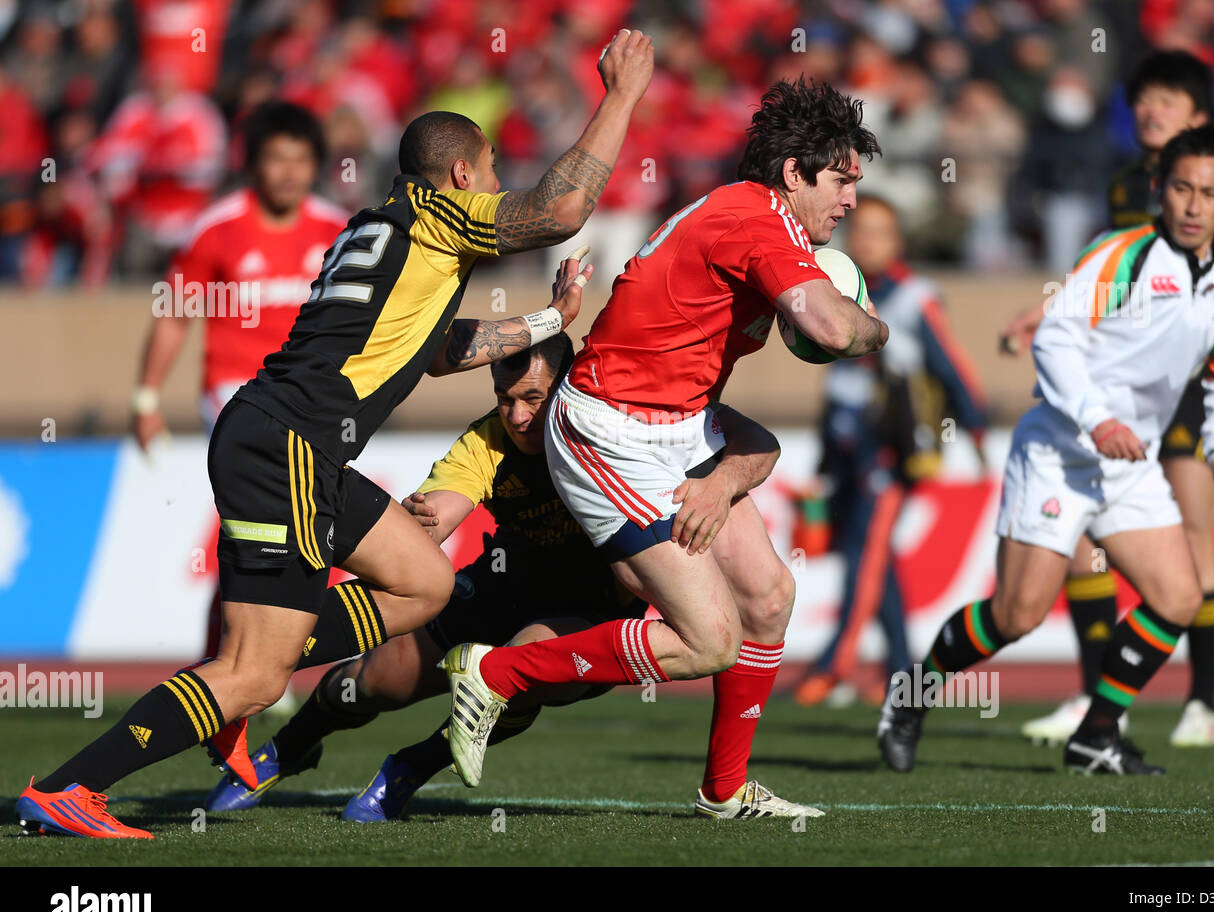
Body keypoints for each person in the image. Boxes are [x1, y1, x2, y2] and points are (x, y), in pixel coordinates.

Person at [15, 29, 656, 839]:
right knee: (255, 670)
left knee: (423, 583)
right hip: (287, 444)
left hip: (294, 441)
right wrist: (622, 93)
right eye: (491, 171)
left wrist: (545, 320)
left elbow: (435, 351)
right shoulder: (439, 215)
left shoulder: (384, 228)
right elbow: (561, 209)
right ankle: (76, 785)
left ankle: (237, 678)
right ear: (462, 177)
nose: (497, 186)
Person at [440, 77, 889, 819]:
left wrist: (718, 483)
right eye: (841, 181)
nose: (849, 200)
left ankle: (724, 790)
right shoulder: (757, 223)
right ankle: (495, 671)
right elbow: (839, 332)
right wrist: (874, 324)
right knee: (710, 640)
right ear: (794, 174)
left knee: (770, 600)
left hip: (678, 425)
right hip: (609, 433)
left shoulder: (756, 219)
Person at [202, 334, 786, 821]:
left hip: (587, 613)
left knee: (522, 672)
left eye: (533, 396)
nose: (519, 415)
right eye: (505, 399)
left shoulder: (621, 425)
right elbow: (445, 506)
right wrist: (419, 522)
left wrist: (720, 484)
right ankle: (288, 750)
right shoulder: (488, 442)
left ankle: (408, 766)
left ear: (570, 384)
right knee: (372, 682)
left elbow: (759, 444)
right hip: (499, 588)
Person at [878, 123, 1214, 776]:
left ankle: (1096, 736)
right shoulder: (1125, 255)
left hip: (1131, 464)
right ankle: (910, 697)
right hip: (1060, 450)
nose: (1195, 205)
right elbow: (1054, 338)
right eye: (1183, 188)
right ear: (1160, 188)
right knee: (1016, 615)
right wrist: (1098, 417)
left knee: (1177, 597)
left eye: (1211, 194)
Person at [1001, 52, 1214, 747]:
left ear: (1199, 119)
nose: (1151, 111)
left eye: (1168, 101)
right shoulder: (1129, 185)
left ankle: (1202, 704)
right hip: (1115, 404)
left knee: (1194, 552)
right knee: (1087, 550)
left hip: (1186, 391)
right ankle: (1094, 702)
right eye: (1144, 100)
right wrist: (1041, 312)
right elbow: (1105, 278)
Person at [131, 102, 349, 696]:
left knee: (272, 542)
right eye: (275, 158)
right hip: (236, 398)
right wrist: (147, 398)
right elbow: (175, 315)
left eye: (300, 160)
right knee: (273, 535)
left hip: (314, 403)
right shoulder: (215, 229)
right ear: (252, 162)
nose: (287, 172)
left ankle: (236, 669)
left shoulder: (338, 229)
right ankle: (242, 670)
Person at [795, 195, 988, 709]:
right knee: (874, 559)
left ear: (898, 241)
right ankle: (904, 672)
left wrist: (973, 426)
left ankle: (835, 660)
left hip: (893, 448)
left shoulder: (913, 296)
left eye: (881, 233)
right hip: (849, 449)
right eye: (861, 231)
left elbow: (951, 365)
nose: (868, 242)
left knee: (866, 552)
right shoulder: (840, 289)